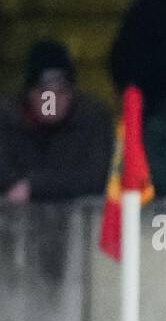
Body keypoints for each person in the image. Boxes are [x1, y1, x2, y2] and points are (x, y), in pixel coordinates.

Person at [0, 40, 112, 202]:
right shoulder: (7, 119)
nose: (52, 101)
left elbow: (94, 176)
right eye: (44, 92)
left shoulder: (92, 118)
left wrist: (35, 186)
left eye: (61, 91)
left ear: (73, 92)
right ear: (29, 93)